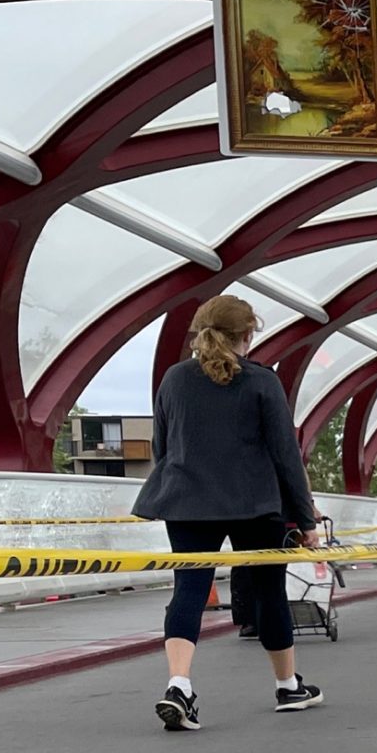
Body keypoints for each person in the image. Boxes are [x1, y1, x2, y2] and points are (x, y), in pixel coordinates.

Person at [132, 296, 324, 729]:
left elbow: (163, 447)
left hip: (186, 502)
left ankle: (179, 685)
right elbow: (285, 455)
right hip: (254, 505)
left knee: (189, 590)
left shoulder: (173, 380)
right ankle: (288, 686)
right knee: (268, 591)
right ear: (248, 335)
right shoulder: (262, 381)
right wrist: (305, 521)